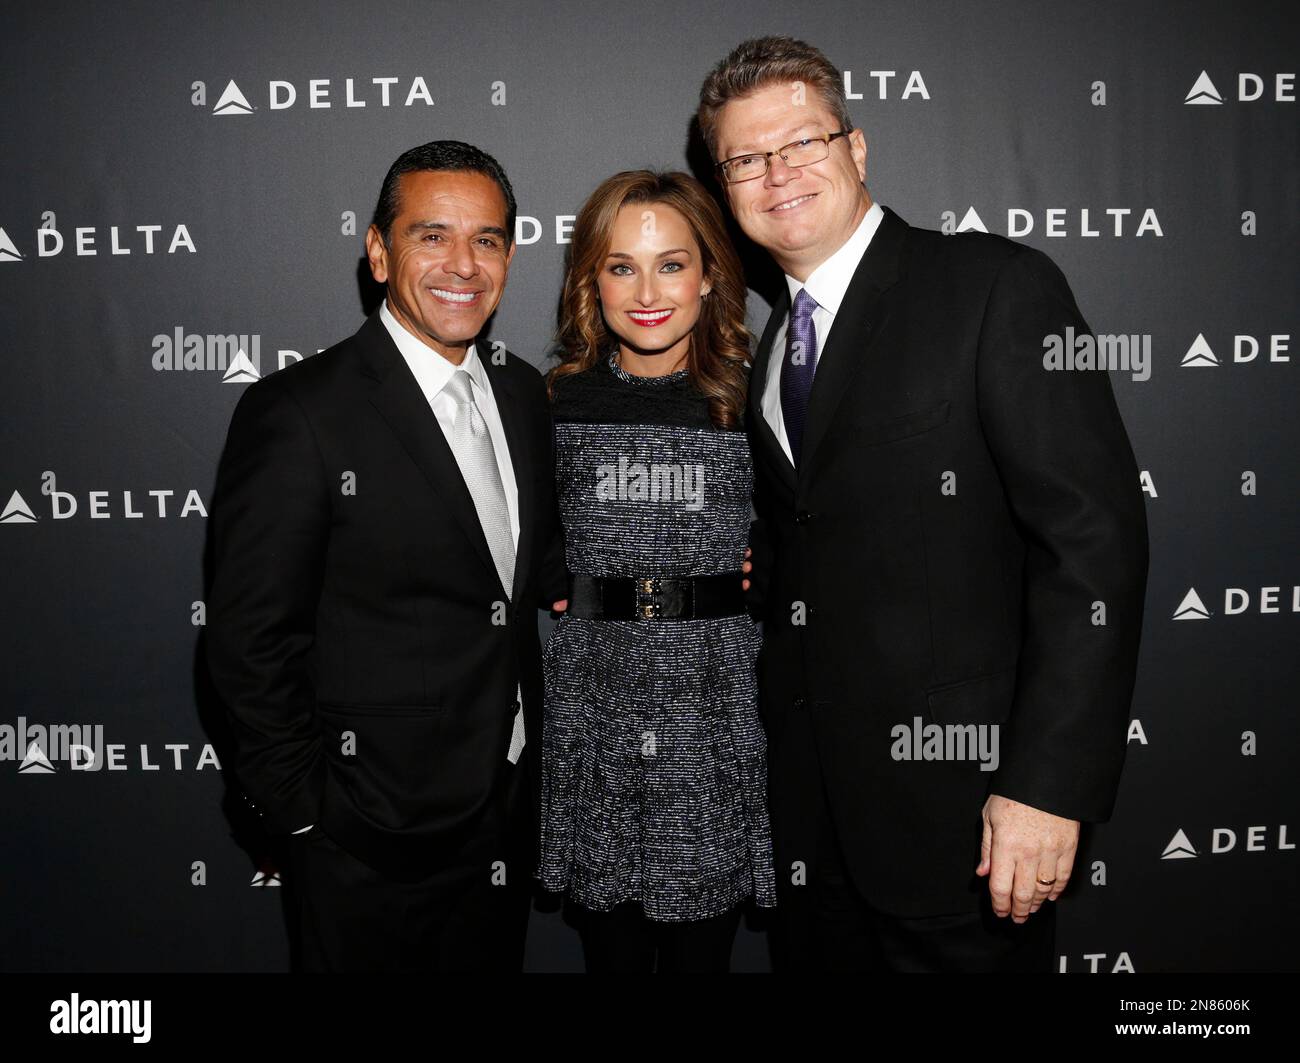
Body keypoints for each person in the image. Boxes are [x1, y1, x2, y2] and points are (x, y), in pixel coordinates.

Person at [696, 37, 1149, 971]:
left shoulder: (992, 287)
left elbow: (1092, 545)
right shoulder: (770, 349)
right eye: (746, 158)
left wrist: (1046, 786)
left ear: (856, 149)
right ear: (725, 185)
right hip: (811, 839)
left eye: (802, 142)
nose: (776, 174)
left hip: (969, 825)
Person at [205, 140, 567, 972]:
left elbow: (528, 572)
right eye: (431, 235)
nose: (463, 265)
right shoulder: (298, 411)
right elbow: (248, 643)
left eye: (487, 240)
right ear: (378, 252)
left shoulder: (519, 392)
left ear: (510, 256)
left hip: (505, 816)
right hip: (365, 836)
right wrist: (307, 816)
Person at [536, 170, 777, 972]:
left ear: (709, 276)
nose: (647, 291)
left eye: (672, 264)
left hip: (709, 698)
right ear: (589, 281)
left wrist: (768, 561)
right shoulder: (552, 405)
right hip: (594, 697)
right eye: (620, 265)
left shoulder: (756, 400)